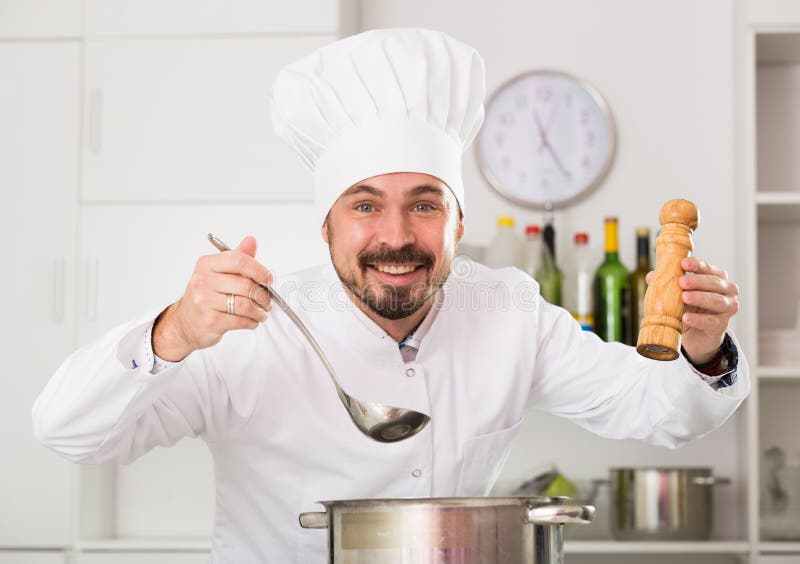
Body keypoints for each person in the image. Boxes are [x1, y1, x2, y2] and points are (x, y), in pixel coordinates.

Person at [32, 28, 748, 563]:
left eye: (426, 205)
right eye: (366, 206)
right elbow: (69, 433)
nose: (397, 237)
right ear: (326, 225)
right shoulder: (245, 332)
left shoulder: (510, 310)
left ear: (460, 221)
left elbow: (659, 411)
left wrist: (703, 347)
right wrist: (171, 334)